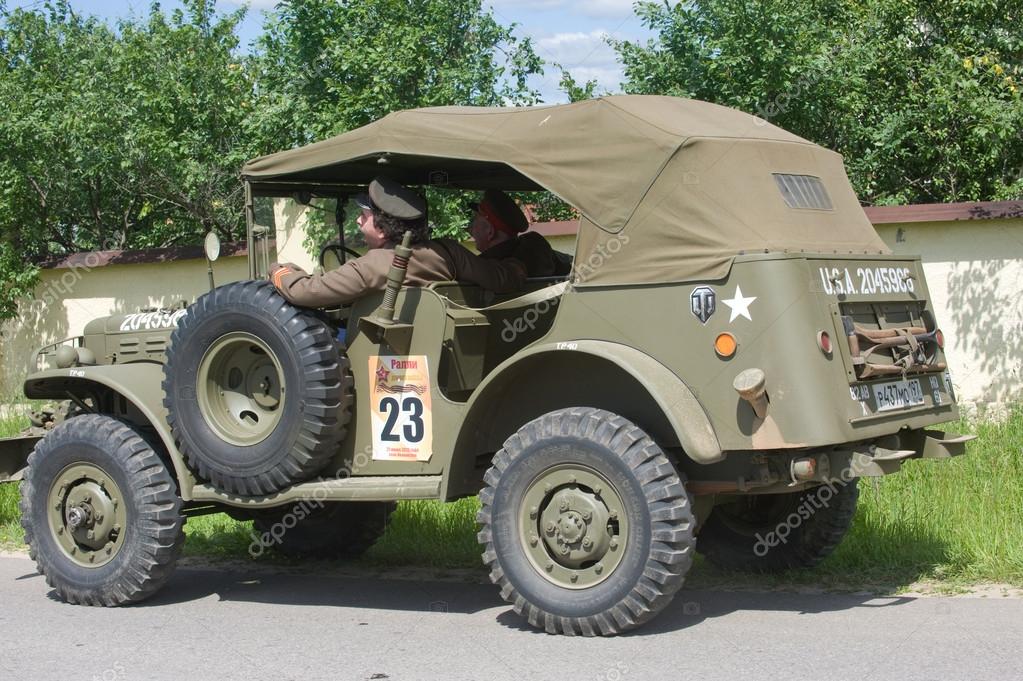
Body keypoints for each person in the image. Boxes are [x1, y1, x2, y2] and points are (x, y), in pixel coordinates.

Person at [270, 176, 527, 307]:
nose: (358, 222)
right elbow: (501, 279)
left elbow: (305, 291)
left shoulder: (373, 265)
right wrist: (520, 265)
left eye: (364, 216)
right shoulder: (447, 251)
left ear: (382, 230)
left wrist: (279, 270)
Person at [467, 190, 571, 278]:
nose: (470, 229)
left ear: (490, 231)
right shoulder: (537, 250)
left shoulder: (485, 269)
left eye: (475, 220)